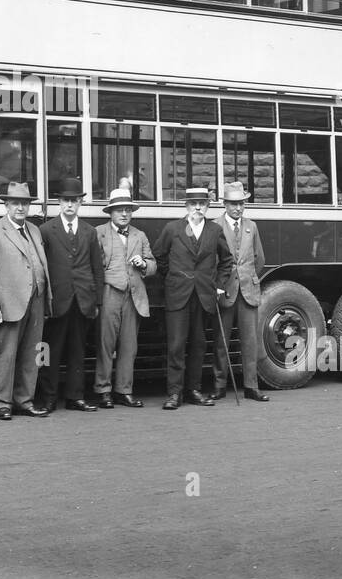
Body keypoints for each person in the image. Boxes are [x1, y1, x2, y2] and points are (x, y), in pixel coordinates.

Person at [152, 186, 234, 410]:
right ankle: (174, 393)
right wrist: (173, 276)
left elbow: (227, 260)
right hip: (178, 294)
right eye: (193, 204)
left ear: (208, 206)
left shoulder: (214, 230)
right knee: (176, 345)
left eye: (202, 204)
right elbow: (158, 255)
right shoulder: (172, 229)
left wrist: (218, 285)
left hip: (203, 295)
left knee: (198, 344)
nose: (198, 207)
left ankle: (194, 390)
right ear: (186, 206)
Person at [0, 182, 52, 421]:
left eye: (25, 203)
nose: (21, 208)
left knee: (34, 353)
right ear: (6, 205)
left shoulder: (34, 230)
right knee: (6, 354)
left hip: (36, 301)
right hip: (9, 303)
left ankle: (25, 400)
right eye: (16, 203)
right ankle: (2, 403)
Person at [35, 177, 103, 413]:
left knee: (78, 350)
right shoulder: (46, 230)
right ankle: (49, 397)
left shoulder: (90, 232)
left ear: (80, 203)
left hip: (82, 300)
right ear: (59, 203)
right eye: (65, 200)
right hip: (57, 301)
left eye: (74, 201)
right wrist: (44, 301)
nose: (70, 205)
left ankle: (75, 397)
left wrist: (98, 301)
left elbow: (97, 267)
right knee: (48, 350)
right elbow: (41, 268)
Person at [93, 187, 156, 408]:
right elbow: (94, 267)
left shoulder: (140, 235)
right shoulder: (99, 233)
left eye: (128, 210)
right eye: (119, 210)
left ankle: (124, 390)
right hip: (109, 292)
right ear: (110, 212)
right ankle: (103, 390)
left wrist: (144, 264)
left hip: (133, 295)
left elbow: (153, 265)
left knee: (129, 345)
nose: (124, 214)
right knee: (105, 344)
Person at [212, 182, 268, 402]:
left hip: (248, 290)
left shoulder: (251, 226)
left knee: (250, 341)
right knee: (221, 340)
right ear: (225, 204)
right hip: (224, 290)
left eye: (241, 204)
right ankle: (219, 386)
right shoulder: (215, 226)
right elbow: (212, 259)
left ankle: (251, 386)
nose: (238, 208)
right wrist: (219, 282)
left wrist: (249, 277)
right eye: (233, 204)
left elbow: (259, 258)